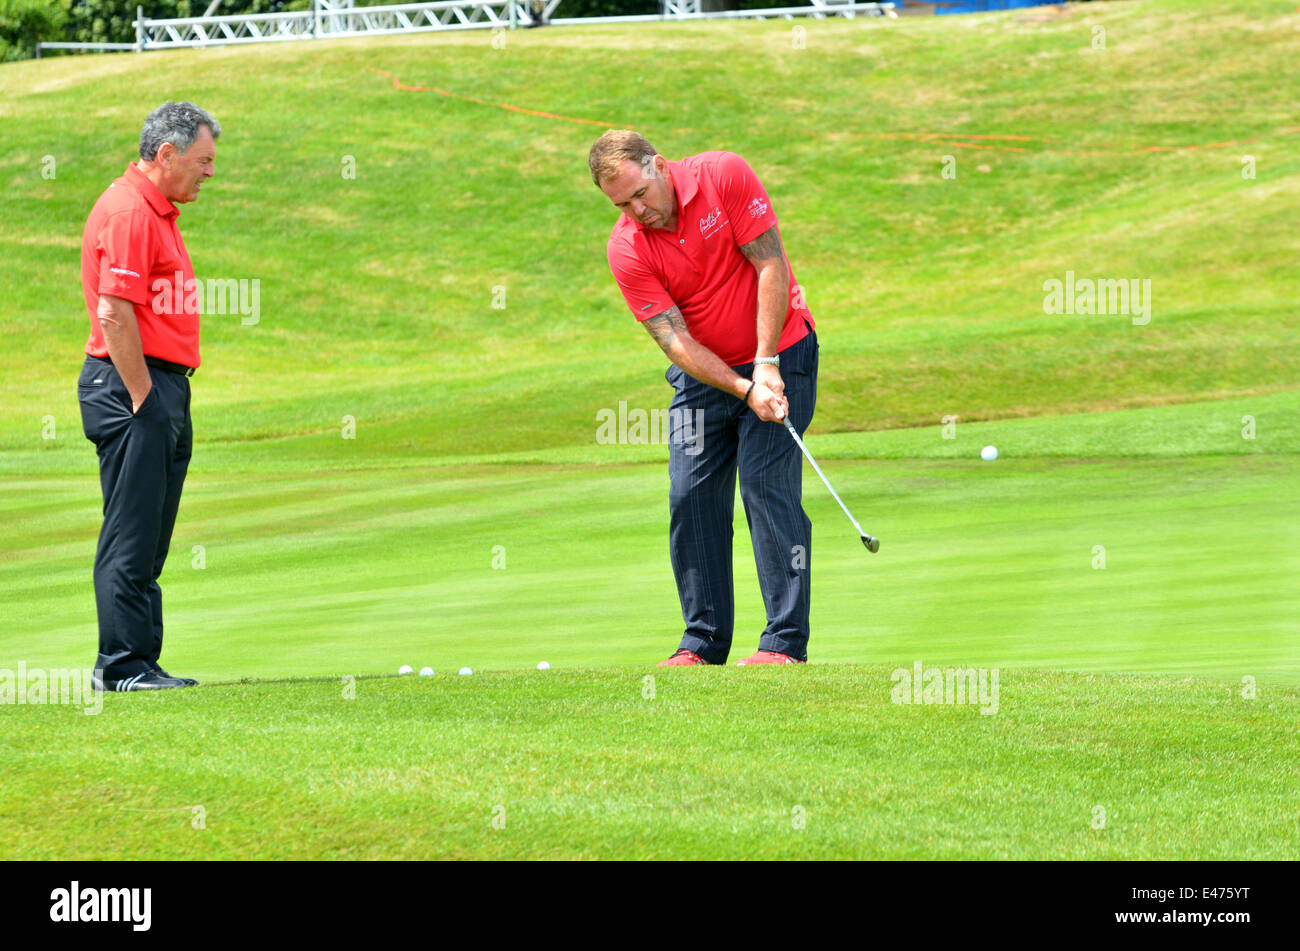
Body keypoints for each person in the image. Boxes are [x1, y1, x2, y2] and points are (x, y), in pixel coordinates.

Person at [589, 130, 818, 666]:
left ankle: (783, 645)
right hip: (706, 379)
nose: (636, 210)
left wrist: (765, 365)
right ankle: (703, 642)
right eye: (622, 204)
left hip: (783, 352)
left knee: (765, 484)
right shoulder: (626, 248)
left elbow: (770, 265)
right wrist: (741, 386)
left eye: (640, 194)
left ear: (660, 166)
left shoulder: (723, 174)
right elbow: (675, 341)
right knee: (689, 495)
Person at [79, 101, 220, 691]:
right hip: (131, 384)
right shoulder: (130, 211)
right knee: (131, 533)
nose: (209, 172)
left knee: (151, 534)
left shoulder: (156, 210)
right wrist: (144, 398)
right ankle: (121, 667)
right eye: (203, 160)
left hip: (159, 384)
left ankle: (142, 661)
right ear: (167, 153)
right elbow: (114, 313)